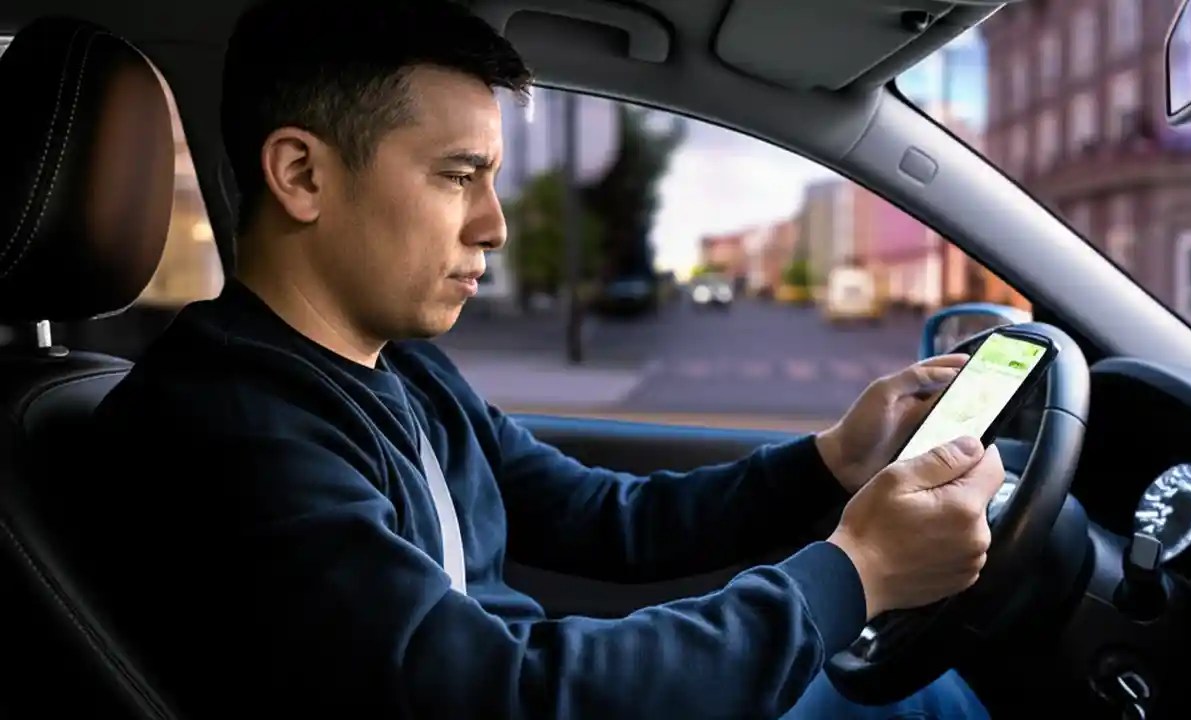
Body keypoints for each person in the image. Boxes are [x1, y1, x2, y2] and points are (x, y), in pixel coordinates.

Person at [78, 0, 1003, 717]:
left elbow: (604, 519)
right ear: (302, 175)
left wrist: (831, 461)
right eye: (456, 176)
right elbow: (500, 698)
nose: (496, 224)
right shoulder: (228, 426)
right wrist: (855, 575)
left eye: (491, 179)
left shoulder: (399, 368)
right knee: (915, 700)